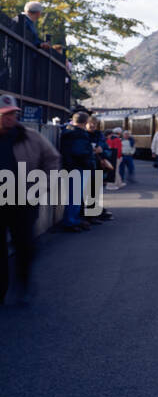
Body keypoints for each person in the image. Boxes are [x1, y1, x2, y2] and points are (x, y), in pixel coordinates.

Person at [0, 93, 62, 304]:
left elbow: (52, 160)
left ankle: (23, 283)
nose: (9, 118)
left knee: (24, 245)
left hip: (22, 201)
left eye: (12, 114)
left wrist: (41, 187)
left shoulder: (30, 136)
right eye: (4, 115)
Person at [58, 112, 94, 232]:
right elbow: (79, 152)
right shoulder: (78, 134)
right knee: (75, 197)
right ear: (85, 122)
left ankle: (72, 220)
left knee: (74, 196)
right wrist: (90, 153)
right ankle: (70, 221)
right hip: (77, 167)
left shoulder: (67, 130)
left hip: (70, 166)